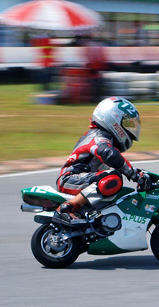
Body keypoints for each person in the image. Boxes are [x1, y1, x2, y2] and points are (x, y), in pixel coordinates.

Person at [53, 96, 151, 225]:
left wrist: (137, 173)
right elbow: (109, 154)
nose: (130, 129)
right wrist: (133, 174)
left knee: (116, 187)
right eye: (127, 123)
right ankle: (67, 208)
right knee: (112, 178)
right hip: (71, 179)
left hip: (82, 179)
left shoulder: (102, 137)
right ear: (113, 118)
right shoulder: (98, 136)